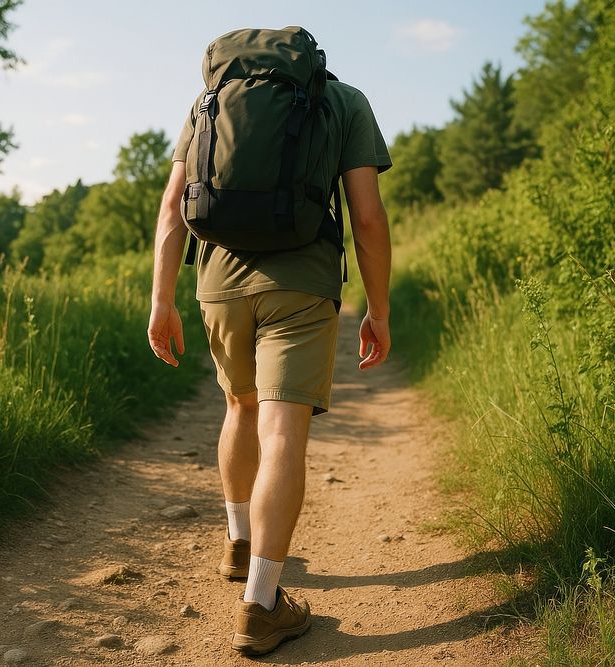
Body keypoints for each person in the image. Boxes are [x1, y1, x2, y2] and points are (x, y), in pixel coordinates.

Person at [148, 27, 392, 656]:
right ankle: (260, 603)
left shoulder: (208, 101)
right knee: (283, 430)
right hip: (303, 284)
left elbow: (174, 206)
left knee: (240, 408)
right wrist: (378, 308)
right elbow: (366, 216)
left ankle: (237, 540)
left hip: (219, 282)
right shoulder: (344, 102)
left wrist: (161, 301)